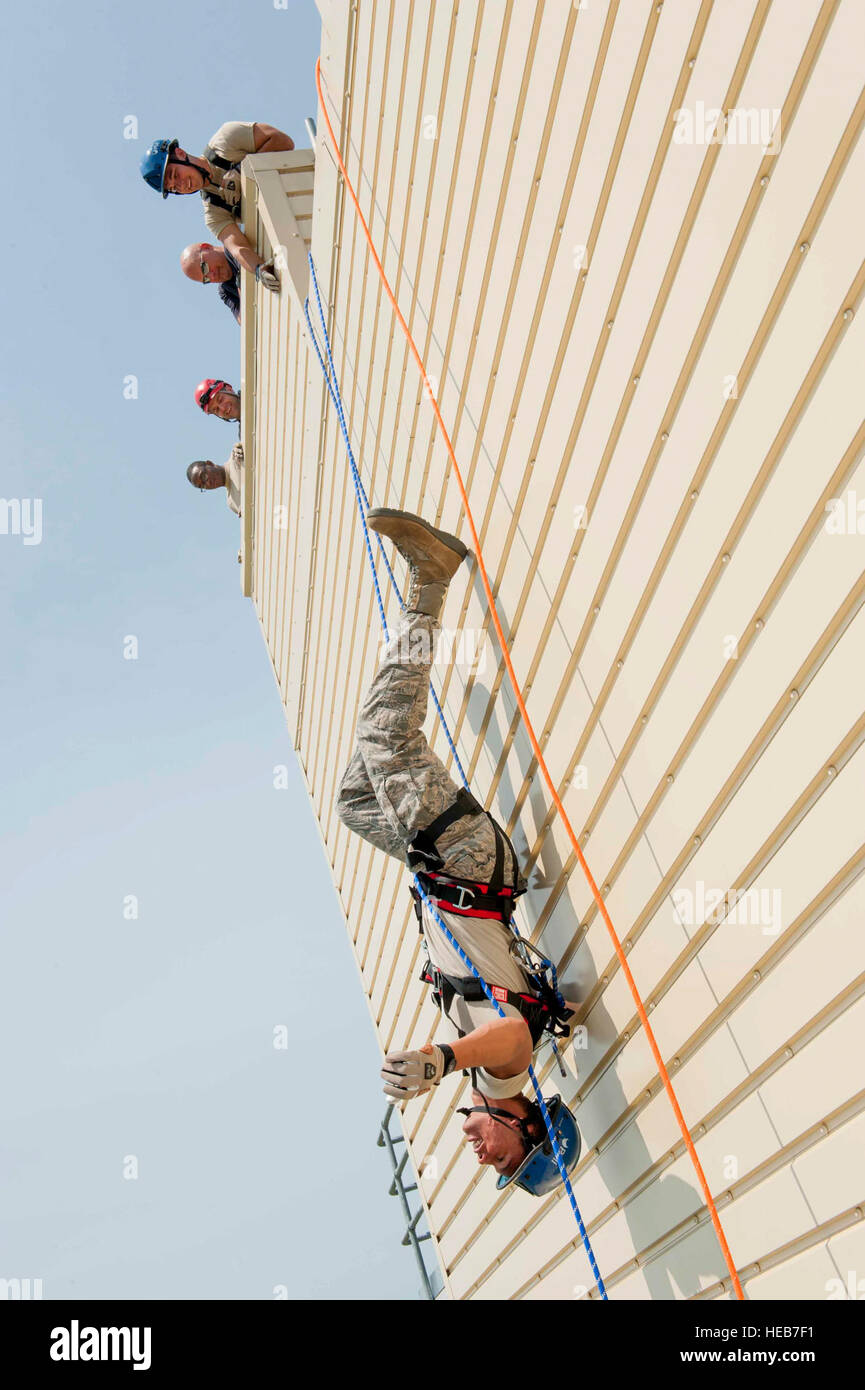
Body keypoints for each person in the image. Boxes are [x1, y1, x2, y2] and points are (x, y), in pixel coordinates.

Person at [335, 508, 580, 1196]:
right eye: (502, 1157)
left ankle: (406, 651)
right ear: (528, 1126)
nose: (480, 1155)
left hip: (448, 873)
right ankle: (430, 581)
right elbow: (512, 1041)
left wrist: (447, 1064)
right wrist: (437, 1060)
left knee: (356, 803)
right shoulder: (503, 1069)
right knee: (386, 742)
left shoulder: (483, 1075)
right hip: (464, 868)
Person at [141, 122, 295, 291]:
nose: (181, 185)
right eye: (174, 188)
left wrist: (242, 170)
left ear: (180, 153)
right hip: (290, 226)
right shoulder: (213, 212)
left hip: (303, 187)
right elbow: (238, 248)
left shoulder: (226, 139)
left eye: (175, 175)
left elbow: (284, 142)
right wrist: (259, 269)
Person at [181, 243, 241, 324]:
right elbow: (244, 321)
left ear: (206, 247)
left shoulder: (234, 246)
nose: (212, 276)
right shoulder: (225, 290)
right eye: (206, 279)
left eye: (204, 268)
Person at [186, 444, 243, 517]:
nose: (208, 483)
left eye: (203, 476)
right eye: (203, 485)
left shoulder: (236, 456)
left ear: (210, 463)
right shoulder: (232, 502)